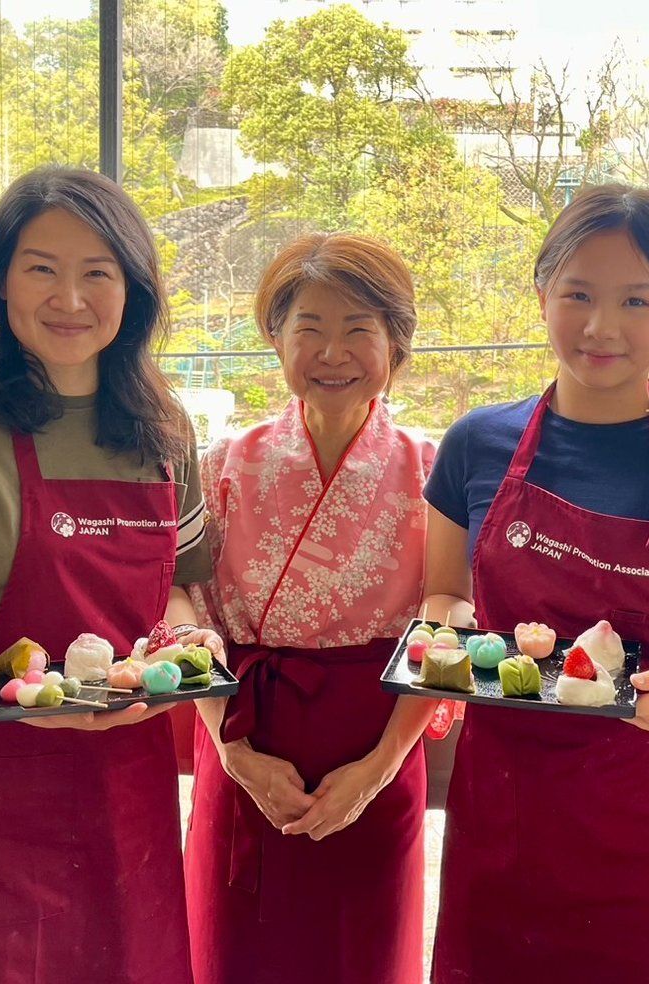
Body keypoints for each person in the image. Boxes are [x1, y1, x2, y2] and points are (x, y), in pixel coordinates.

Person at [0, 166, 219, 983]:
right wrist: (33, 699)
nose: (70, 298)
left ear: (134, 291)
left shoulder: (163, 432)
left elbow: (176, 583)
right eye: (41, 268)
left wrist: (185, 639)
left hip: (124, 802)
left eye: (98, 272)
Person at [427, 185, 649, 982]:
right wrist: (463, 633)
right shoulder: (475, 444)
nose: (600, 326)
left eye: (635, 299)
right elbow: (438, 597)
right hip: (508, 806)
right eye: (577, 293)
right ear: (541, 292)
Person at [185, 233, 435, 984]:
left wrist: (380, 765)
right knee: (238, 955)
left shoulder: (434, 468)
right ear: (275, 338)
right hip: (242, 731)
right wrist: (230, 750)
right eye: (309, 329)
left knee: (361, 954)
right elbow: (187, 611)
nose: (333, 352)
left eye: (359, 329)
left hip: (377, 744)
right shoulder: (223, 463)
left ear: (395, 341)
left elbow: (444, 631)